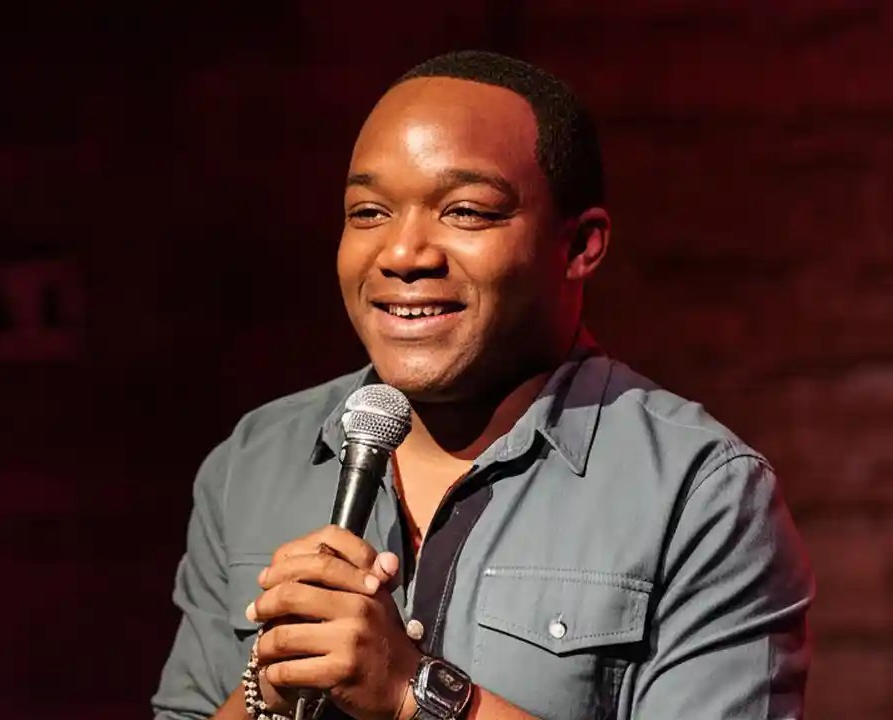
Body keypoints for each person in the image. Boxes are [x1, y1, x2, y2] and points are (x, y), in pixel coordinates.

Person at [151, 50, 813, 720]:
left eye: (465, 211)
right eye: (369, 211)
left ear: (580, 245)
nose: (403, 253)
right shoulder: (255, 462)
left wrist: (415, 691)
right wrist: (269, 680)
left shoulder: (700, 492)